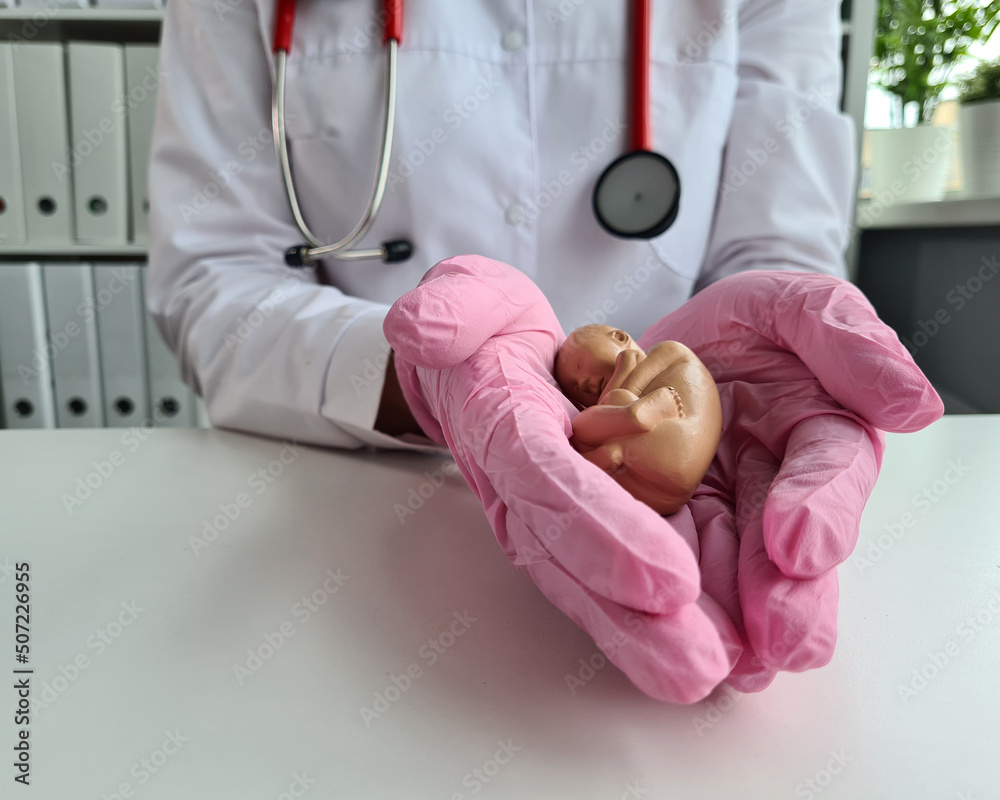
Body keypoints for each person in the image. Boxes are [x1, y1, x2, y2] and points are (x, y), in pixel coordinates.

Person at [146, 1, 943, 699]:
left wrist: (766, 356)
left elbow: (780, 241)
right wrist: (425, 378)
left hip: (685, 490)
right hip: (356, 510)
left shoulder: (655, 388)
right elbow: (211, 278)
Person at [554, 324, 722, 516]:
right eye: (574, 387)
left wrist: (625, 367)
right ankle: (617, 441)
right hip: (663, 500)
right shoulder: (628, 371)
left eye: (580, 365)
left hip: (675, 442)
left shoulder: (670, 350)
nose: (583, 382)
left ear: (618, 337)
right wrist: (622, 368)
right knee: (584, 427)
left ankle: (630, 422)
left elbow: (624, 393)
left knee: (600, 412)